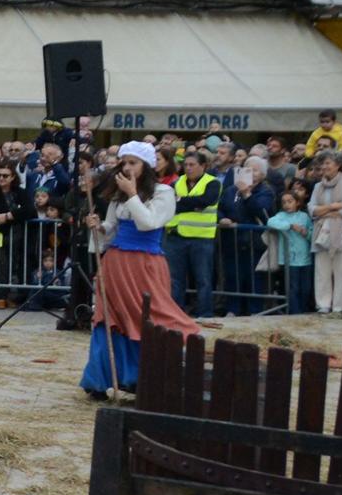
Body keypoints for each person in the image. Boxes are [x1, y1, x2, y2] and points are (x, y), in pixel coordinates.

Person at [82, 142, 201, 397]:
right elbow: (112, 227)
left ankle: (140, 376)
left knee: (147, 315)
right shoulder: (119, 194)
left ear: (146, 166)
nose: (126, 167)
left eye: (133, 162)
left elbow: (149, 223)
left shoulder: (164, 192)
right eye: (124, 162)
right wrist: (99, 226)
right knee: (110, 318)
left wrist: (133, 194)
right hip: (115, 263)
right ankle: (101, 379)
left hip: (145, 264)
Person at [163, 149, 219, 319]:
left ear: (203, 166)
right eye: (186, 164)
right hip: (176, 236)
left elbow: (206, 200)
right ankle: (176, 313)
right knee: (175, 280)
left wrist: (181, 201)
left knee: (203, 279)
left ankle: (205, 314)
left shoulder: (213, 182)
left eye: (192, 165)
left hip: (201, 238)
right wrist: (191, 203)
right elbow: (172, 203)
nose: (188, 168)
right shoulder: (177, 182)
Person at [216, 160, 273, 316]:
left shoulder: (266, 191)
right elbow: (220, 208)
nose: (250, 173)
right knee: (232, 276)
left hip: (253, 241)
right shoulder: (230, 190)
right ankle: (233, 308)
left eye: (254, 170)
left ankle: (254, 310)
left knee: (254, 278)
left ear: (262, 175)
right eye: (247, 169)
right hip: (231, 241)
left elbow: (261, 211)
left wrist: (247, 194)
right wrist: (221, 219)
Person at [309, 152, 342, 314]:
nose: (324, 167)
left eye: (328, 163)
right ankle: (323, 305)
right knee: (321, 270)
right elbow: (312, 209)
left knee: (341, 271)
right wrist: (333, 207)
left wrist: (323, 211)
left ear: (338, 165)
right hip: (321, 232)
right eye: (322, 164)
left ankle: (339, 307)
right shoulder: (318, 186)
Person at [267, 189, 315, 315]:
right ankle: (295, 312)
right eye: (284, 202)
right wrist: (290, 226)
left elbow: (312, 232)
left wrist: (306, 233)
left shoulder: (304, 217)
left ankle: (304, 309)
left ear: (298, 203)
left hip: (305, 259)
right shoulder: (281, 216)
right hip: (289, 259)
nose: (287, 205)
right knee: (293, 288)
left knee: (306, 288)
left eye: (290, 201)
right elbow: (271, 222)